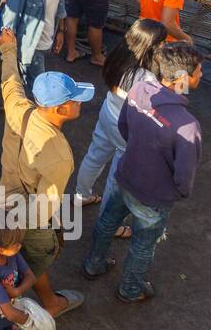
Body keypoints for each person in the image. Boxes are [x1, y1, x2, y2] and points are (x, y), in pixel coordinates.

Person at [82, 43, 204, 303]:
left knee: (107, 222)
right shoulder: (187, 126)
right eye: (198, 70)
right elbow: (184, 177)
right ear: (183, 78)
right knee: (143, 245)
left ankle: (94, 264)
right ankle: (130, 289)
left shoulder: (139, 90)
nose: (201, 75)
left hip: (124, 175)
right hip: (154, 196)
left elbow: (124, 127)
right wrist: (178, 192)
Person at [0, 27, 93, 319]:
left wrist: (7, 49)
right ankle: (45, 303)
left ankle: (9, 289)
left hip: (3, 200)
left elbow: (10, 81)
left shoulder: (20, 108)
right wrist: (49, 234)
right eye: (74, 100)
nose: (79, 103)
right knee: (37, 257)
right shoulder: (59, 155)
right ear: (61, 109)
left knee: (9, 256)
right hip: (28, 214)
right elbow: (43, 209)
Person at [73, 18, 170, 209]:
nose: (165, 45)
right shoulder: (147, 78)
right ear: (150, 46)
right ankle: (106, 221)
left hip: (108, 112)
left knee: (94, 155)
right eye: (163, 42)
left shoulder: (117, 59)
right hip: (126, 128)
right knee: (117, 176)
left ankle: (81, 195)